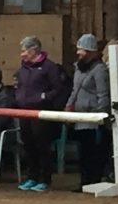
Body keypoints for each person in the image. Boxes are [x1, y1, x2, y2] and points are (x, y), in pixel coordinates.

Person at [14, 35, 67, 193]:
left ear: (33, 50)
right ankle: (32, 176)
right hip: (24, 111)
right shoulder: (23, 68)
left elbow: (58, 88)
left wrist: (43, 97)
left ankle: (45, 178)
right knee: (28, 144)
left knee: (42, 144)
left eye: (24, 51)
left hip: (42, 112)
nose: (22, 54)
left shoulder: (49, 67)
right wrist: (19, 97)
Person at [67, 33, 111, 190]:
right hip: (80, 117)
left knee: (93, 152)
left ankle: (94, 181)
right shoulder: (78, 69)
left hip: (94, 119)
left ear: (90, 51)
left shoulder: (100, 70)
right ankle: (84, 181)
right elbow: (74, 90)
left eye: (82, 49)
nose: (78, 52)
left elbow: (103, 94)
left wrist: (101, 117)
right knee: (83, 152)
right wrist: (69, 107)